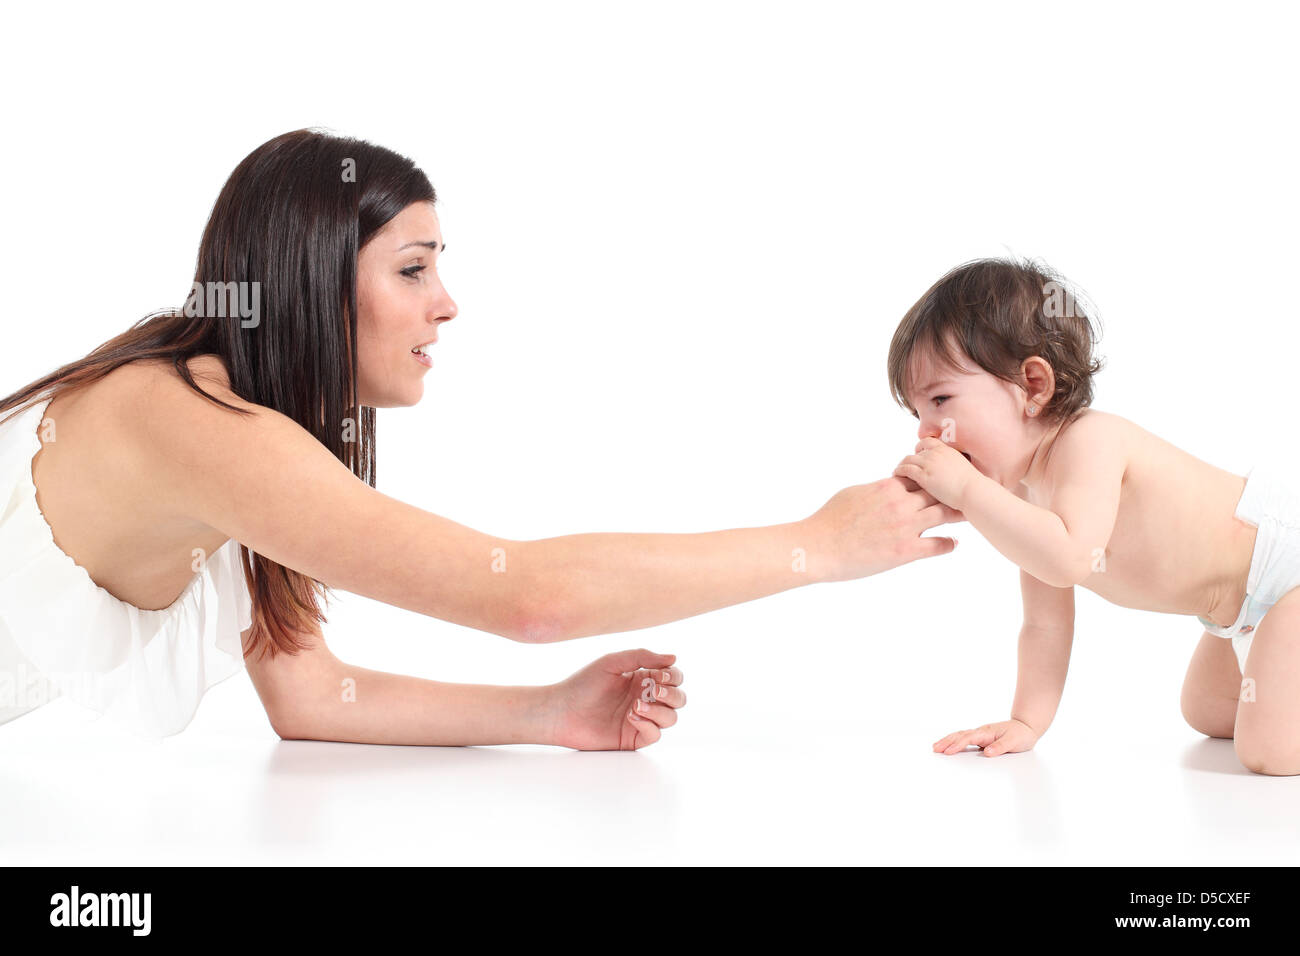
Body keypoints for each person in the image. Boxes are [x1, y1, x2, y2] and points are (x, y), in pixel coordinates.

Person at [0, 129, 960, 751]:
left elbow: (308, 697)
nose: (447, 304)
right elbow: (530, 596)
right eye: (412, 269)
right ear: (311, 278)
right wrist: (819, 546)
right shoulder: (190, 422)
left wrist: (546, 713)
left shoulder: (240, 431)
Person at [889, 257, 1300, 775]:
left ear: (1033, 385)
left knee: (1269, 752)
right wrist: (1027, 722)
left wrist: (971, 492)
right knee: (1210, 713)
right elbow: (1044, 623)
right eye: (917, 413)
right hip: (1241, 612)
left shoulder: (1091, 440)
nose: (927, 433)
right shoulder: (1026, 497)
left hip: (1288, 570)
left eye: (941, 399)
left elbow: (1068, 559)